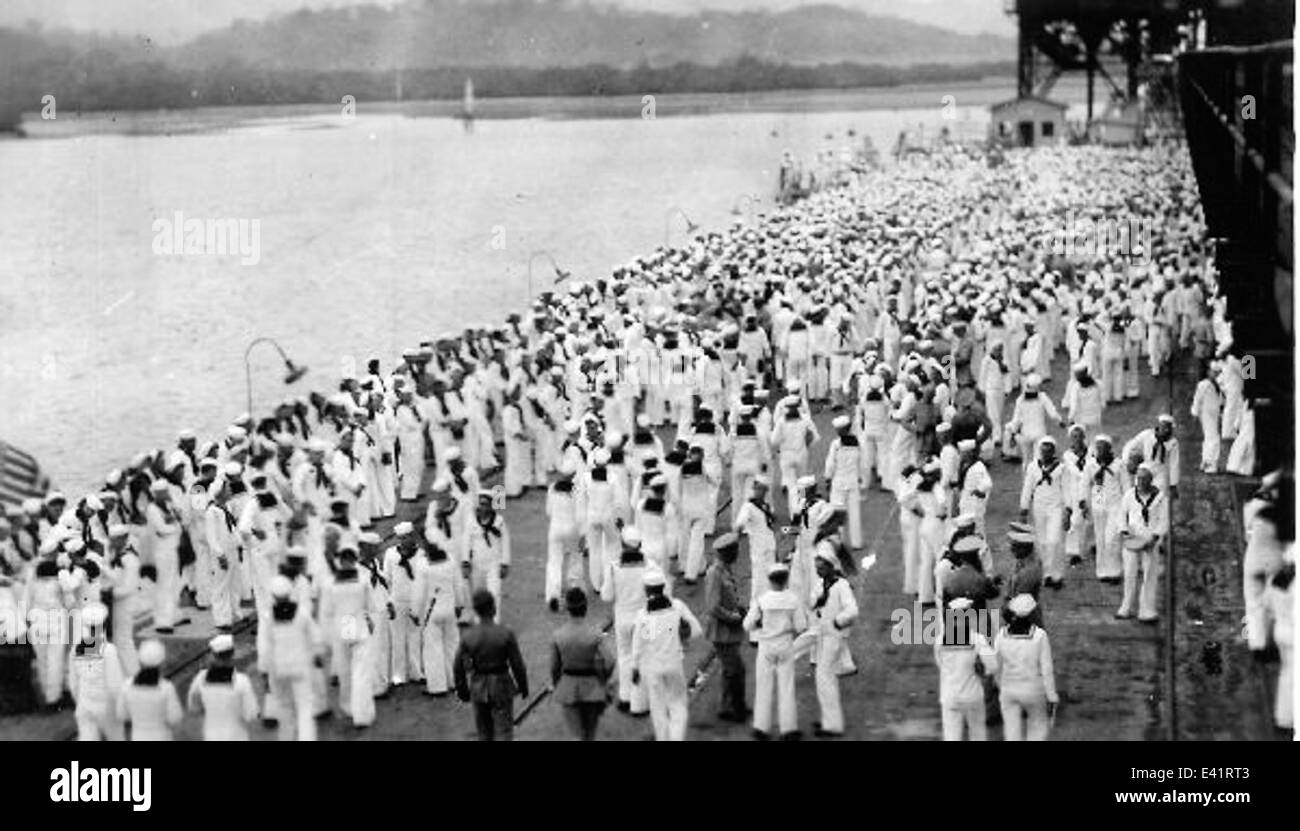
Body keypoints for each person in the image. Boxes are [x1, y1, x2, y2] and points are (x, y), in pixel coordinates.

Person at [630, 567, 702, 741]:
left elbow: (638, 646)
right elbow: (697, 630)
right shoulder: (677, 607)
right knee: (678, 704)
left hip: (652, 667)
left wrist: (635, 668)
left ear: (646, 590)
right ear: (663, 587)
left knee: (658, 709)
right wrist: (683, 637)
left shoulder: (642, 615)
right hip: (674, 663)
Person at [744, 562, 807, 740]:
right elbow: (801, 626)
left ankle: (761, 728)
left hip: (765, 646)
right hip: (785, 644)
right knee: (786, 687)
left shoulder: (762, 600)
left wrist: (759, 624)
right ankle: (788, 729)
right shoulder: (793, 599)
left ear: (769, 580)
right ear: (786, 579)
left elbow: (747, 625)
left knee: (764, 686)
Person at [454, 590, 529, 741]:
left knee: (484, 733)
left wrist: (462, 690)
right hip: (501, 684)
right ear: (493, 608)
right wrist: (523, 686)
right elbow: (517, 664)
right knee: (504, 731)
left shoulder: (468, 636)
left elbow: (458, 666)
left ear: (476, 610)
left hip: (478, 686)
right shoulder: (505, 633)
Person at [805, 545, 858, 737]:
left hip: (833, 636)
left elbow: (852, 610)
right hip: (822, 634)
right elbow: (811, 603)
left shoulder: (841, 586)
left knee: (824, 676)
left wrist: (839, 621)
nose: (818, 571)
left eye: (821, 567)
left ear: (830, 566)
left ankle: (832, 725)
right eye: (816, 568)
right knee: (826, 677)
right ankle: (830, 721)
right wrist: (816, 601)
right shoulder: (821, 585)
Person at [549, 587, 615, 741]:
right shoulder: (595, 633)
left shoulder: (558, 635)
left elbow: (554, 667)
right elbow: (610, 661)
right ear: (585, 607)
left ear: (568, 610)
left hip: (568, 686)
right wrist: (603, 679)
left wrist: (557, 684)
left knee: (576, 735)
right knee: (590, 735)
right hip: (592, 687)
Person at [993, 594, 1058, 741]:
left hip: (1009, 689)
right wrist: (1051, 696)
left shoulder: (1001, 634)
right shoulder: (1040, 635)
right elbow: (1047, 670)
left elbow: (996, 666)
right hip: (1033, 690)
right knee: (1038, 728)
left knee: (1011, 732)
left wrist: (1001, 685)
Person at [264, 574, 321, 741]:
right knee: (304, 707)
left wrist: (265, 670)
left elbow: (266, 645)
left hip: (279, 668)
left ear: (273, 595)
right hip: (300, 666)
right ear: (290, 593)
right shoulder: (301, 613)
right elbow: (314, 635)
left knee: (284, 708)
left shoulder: (268, 617)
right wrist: (316, 653)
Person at [601, 527, 650, 716]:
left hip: (622, 618)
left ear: (622, 544)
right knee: (642, 657)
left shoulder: (614, 567)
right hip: (644, 619)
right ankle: (640, 703)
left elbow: (606, 596)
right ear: (640, 545)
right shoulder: (649, 565)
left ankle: (625, 697)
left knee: (624, 656)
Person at [934, 597, 998, 741]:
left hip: (949, 694)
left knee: (951, 735)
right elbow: (993, 666)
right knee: (978, 733)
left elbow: (940, 663)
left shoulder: (939, 641)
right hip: (972, 695)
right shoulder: (978, 639)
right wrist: (983, 673)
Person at [704, 532, 748, 722]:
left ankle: (727, 706)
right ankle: (736, 709)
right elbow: (712, 606)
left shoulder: (725, 570)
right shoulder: (715, 573)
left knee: (729, 670)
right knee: (735, 670)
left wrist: (740, 608)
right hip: (722, 630)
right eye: (735, 550)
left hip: (728, 629)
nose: (738, 553)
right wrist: (733, 617)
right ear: (727, 552)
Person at [1117, 463, 1169, 623]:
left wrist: (1155, 537)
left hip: (1150, 539)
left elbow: (1163, 520)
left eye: (1144, 479)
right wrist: (1124, 531)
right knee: (1130, 573)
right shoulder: (1129, 495)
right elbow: (1121, 515)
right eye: (1138, 478)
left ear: (1150, 480)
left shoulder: (1160, 498)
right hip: (1132, 537)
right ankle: (1126, 608)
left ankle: (1146, 610)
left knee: (1149, 574)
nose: (1140, 481)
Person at [67, 603, 125, 741]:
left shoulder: (76, 649)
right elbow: (115, 685)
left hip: (85, 704)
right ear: (105, 624)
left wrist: (80, 701)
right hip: (106, 706)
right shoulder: (108, 650)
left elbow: (73, 683)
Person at [186, 634, 260, 740]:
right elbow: (251, 715)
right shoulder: (242, 681)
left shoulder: (200, 679)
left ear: (213, 655)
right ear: (232, 654)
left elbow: (194, 708)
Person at [116, 638, 184, 741]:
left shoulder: (127, 685)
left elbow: (121, 714)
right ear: (162, 662)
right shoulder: (166, 688)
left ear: (140, 661)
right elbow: (175, 718)